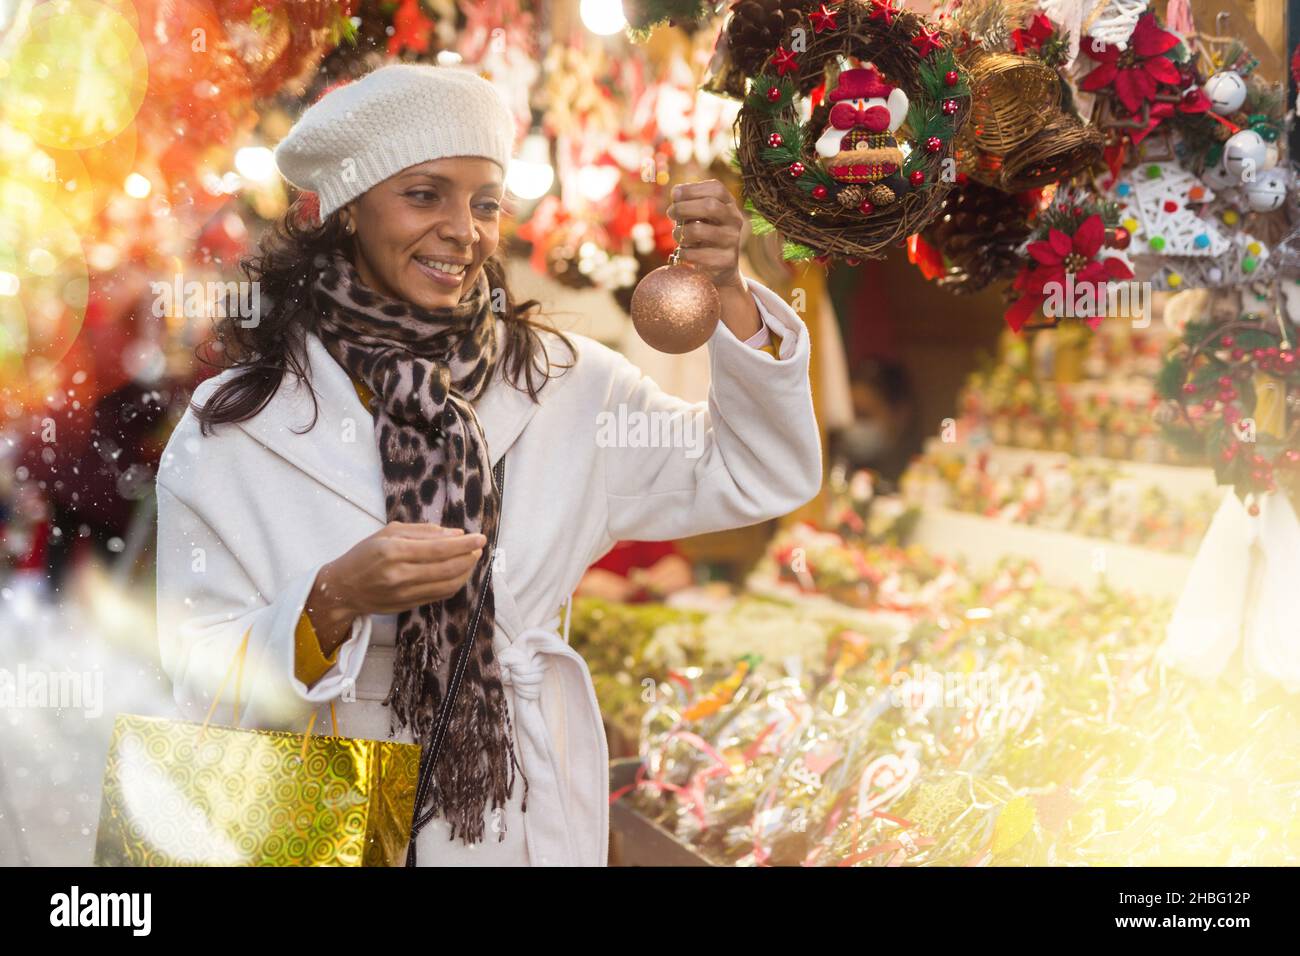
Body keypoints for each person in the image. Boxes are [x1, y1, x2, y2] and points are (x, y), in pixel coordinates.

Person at [154, 63, 821, 867]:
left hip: (515, 815)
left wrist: (731, 298)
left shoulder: (567, 384)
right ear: (349, 208)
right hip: (319, 817)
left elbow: (758, 471)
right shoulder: (240, 424)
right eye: (424, 195)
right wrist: (330, 603)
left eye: (485, 203)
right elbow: (192, 675)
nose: (462, 230)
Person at [830, 357, 922, 487]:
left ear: (899, 414)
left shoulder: (919, 476)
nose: (850, 425)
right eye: (849, 415)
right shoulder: (836, 472)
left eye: (863, 415)